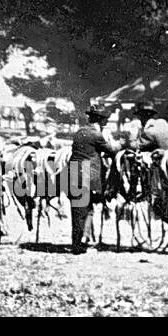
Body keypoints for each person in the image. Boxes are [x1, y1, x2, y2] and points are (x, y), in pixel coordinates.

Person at [69, 107, 118, 253]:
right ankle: (78, 247)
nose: (106, 122)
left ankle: (80, 241)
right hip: (87, 175)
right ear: (100, 120)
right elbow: (111, 150)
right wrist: (123, 143)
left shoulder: (79, 132)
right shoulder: (96, 135)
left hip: (73, 172)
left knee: (78, 210)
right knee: (82, 211)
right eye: (105, 120)